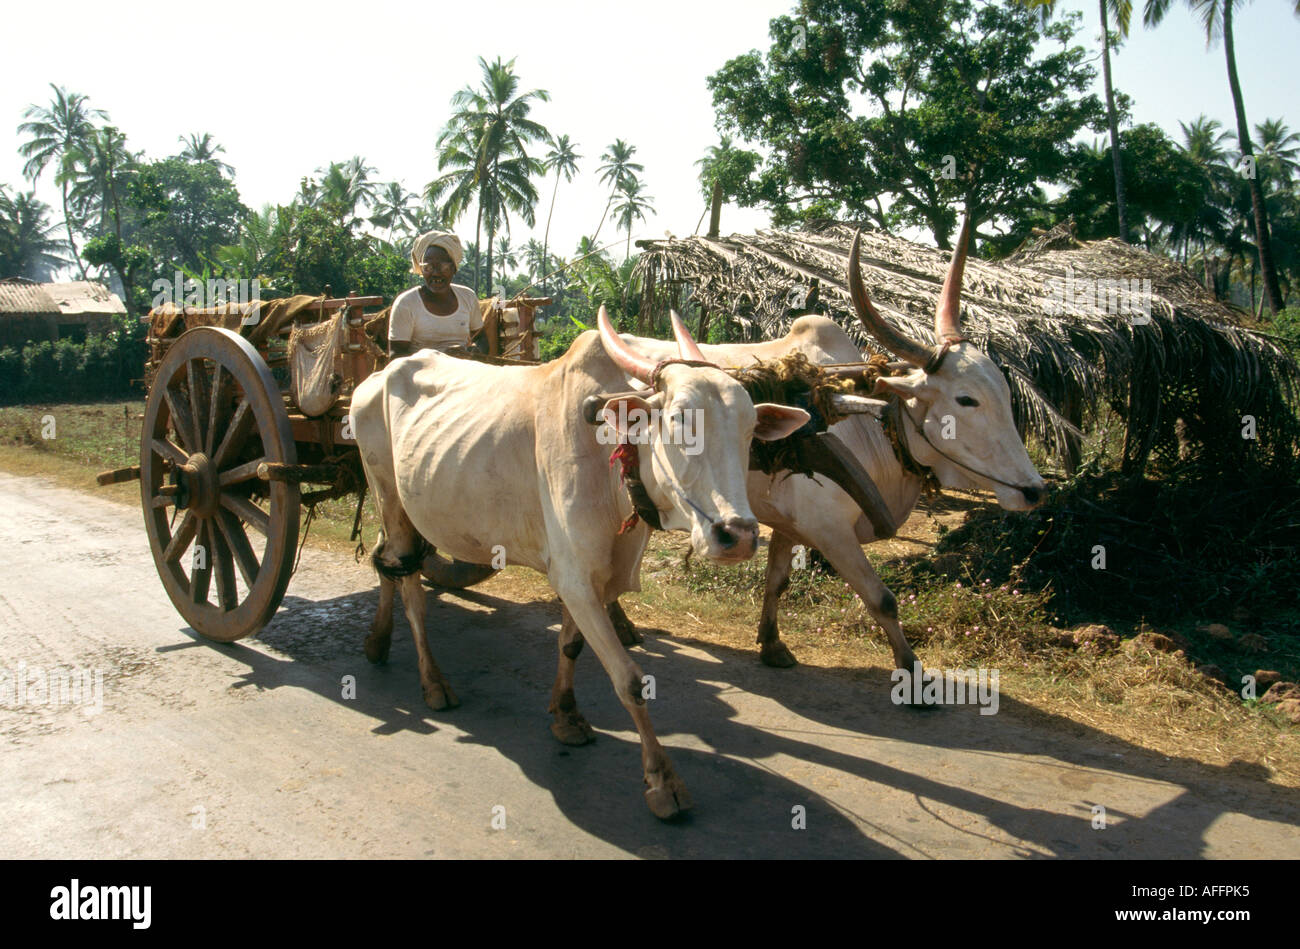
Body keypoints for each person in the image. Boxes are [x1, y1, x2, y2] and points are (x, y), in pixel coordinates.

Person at [388, 231, 483, 358]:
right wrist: (439, 359)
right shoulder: (406, 303)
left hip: (463, 372)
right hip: (422, 375)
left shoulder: (468, 297)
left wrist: (477, 352)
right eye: (428, 268)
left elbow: (482, 339)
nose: (436, 274)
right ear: (421, 270)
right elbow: (396, 355)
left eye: (444, 267)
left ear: (454, 269)